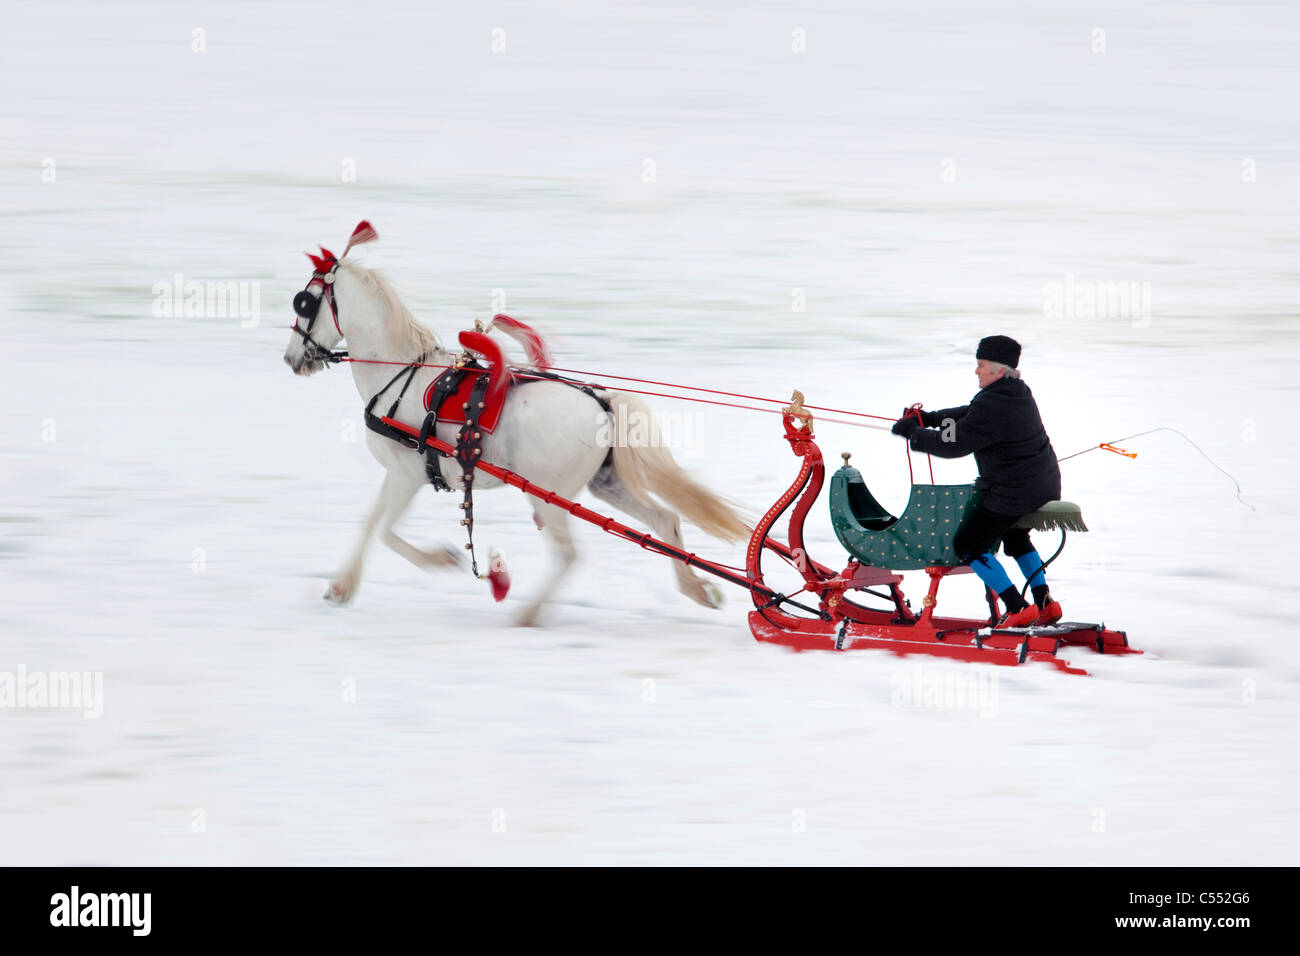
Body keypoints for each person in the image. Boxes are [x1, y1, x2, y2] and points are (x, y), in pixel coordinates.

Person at [890, 335, 1063, 627]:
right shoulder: (1015, 391)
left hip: (1014, 491)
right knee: (1015, 535)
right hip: (1042, 485)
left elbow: (954, 444)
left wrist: (913, 434)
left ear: (997, 370)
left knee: (969, 544)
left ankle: (1017, 607)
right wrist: (929, 419)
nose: (976, 371)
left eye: (981, 365)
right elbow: (969, 414)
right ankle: (1044, 603)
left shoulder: (993, 404)